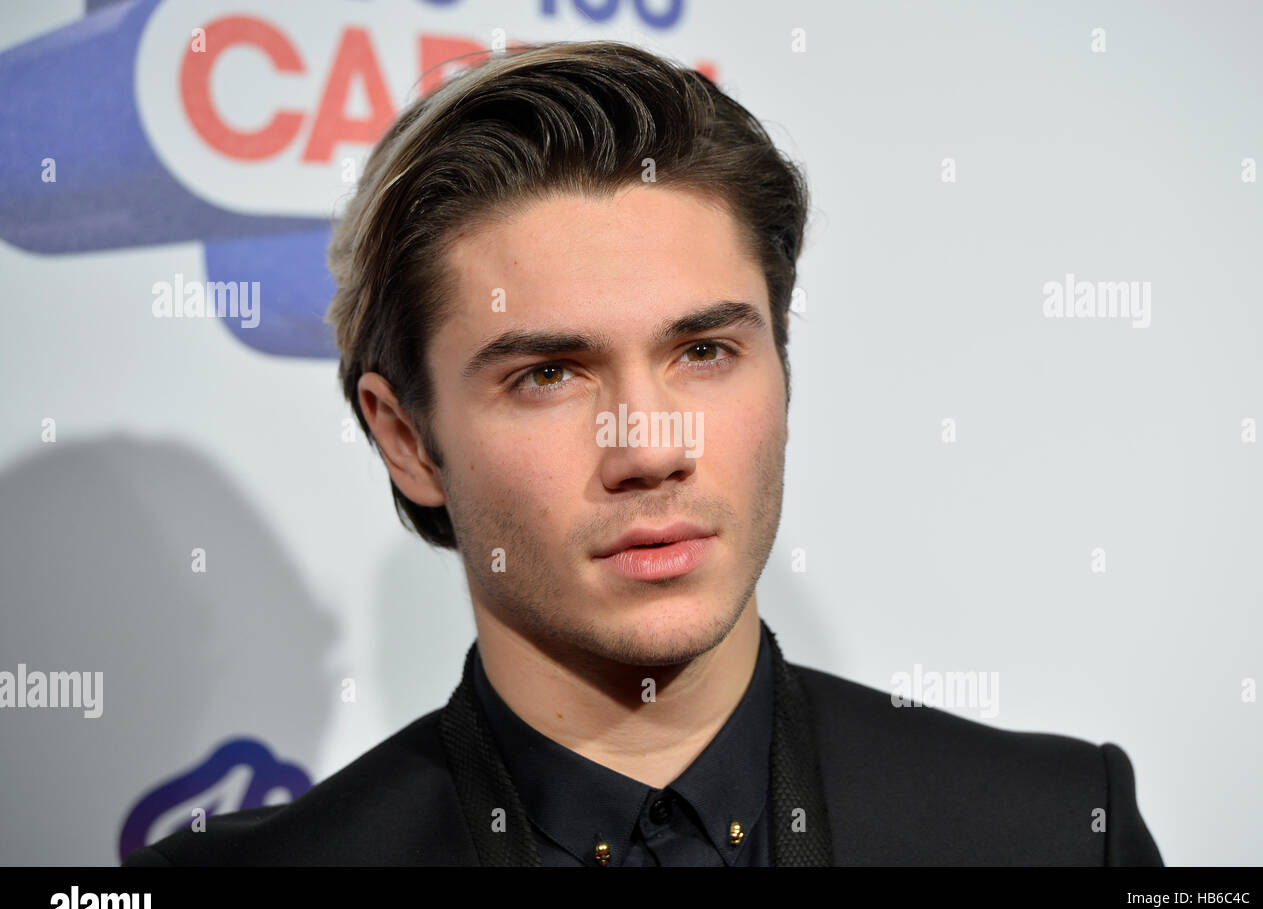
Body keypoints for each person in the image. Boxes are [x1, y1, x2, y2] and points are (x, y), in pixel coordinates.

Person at [124, 39, 1162, 867]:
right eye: (547, 375)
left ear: (782, 373)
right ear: (408, 439)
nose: (650, 447)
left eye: (704, 351)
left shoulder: (1059, 832)